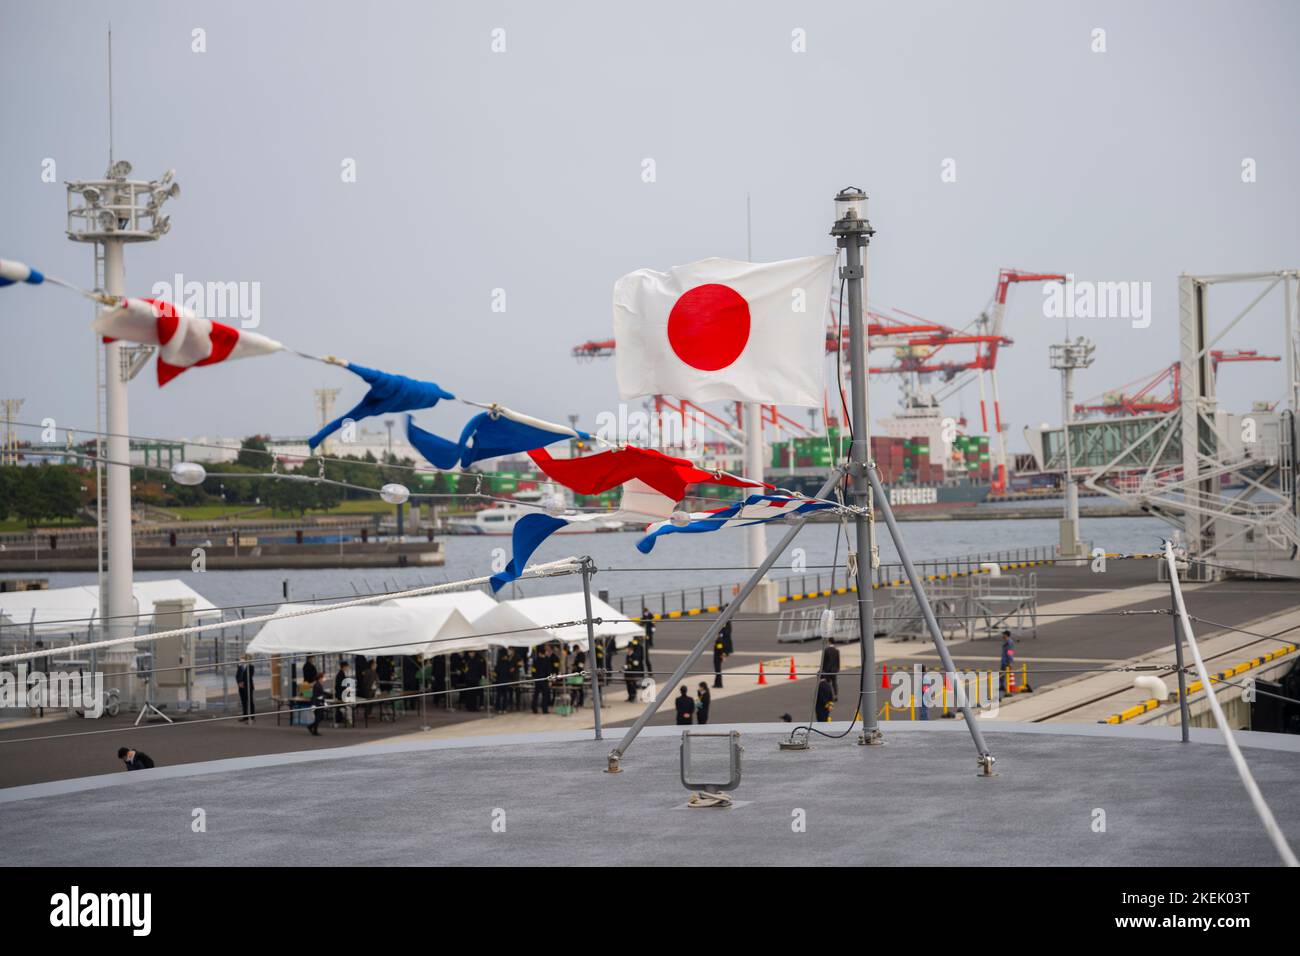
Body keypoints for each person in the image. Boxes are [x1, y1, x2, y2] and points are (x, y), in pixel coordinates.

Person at [531, 643, 556, 714]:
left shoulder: (536, 661)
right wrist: (550, 681)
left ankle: (534, 708)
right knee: (545, 695)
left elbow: (533, 671)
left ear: (539, 653)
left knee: (536, 695)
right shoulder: (547, 661)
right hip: (545, 680)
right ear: (544, 652)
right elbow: (549, 671)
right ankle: (544, 710)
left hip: (537, 680)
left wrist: (535, 677)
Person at [713, 611, 734, 688]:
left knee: (718, 670)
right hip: (719, 655)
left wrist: (722, 655)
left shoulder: (719, 640)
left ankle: (718, 684)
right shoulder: (720, 639)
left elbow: (719, 648)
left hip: (717, 656)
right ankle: (717, 683)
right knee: (718, 670)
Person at [235, 654, 256, 722]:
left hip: (248, 686)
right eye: (241, 658)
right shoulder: (240, 666)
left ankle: (252, 716)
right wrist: (239, 683)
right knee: (243, 702)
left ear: (246, 659)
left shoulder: (251, 666)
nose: (241, 660)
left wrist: (243, 682)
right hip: (241, 687)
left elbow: (250, 676)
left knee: (250, 701)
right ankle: (245, 716)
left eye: (242, 658)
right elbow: (237, 675)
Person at [624, 637, 645, 702]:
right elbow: (627, 663)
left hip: (633, 673)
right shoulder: (628, 655)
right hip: (628, 674)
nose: (627, 650)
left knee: (632, 685)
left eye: (628, 649)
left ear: (631, 649)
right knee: (628, 685)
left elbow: (636, 664)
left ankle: (633, 696)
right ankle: (630, 696)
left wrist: (628, 666)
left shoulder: (635, 655)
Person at [334, 661, 351, 726]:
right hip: (340, 693)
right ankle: (338, 719)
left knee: (340, 707)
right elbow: (341, 685)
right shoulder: (341, 674)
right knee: (340, 706)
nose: (348, 668)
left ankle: (339, 719)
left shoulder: (341, 673)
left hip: (340, 693)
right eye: (347, 666)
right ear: (344, 667)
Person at [570, 644, 587, 709]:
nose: (575, 652)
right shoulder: (578, 654)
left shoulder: (581, 655)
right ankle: (575, 701)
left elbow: (580, 665)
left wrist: (575, 667)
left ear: (577, 649)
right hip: (576, 674)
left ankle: (580, 702)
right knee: (575, 689)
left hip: (579, 674)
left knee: (579, 688)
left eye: (575, 650)